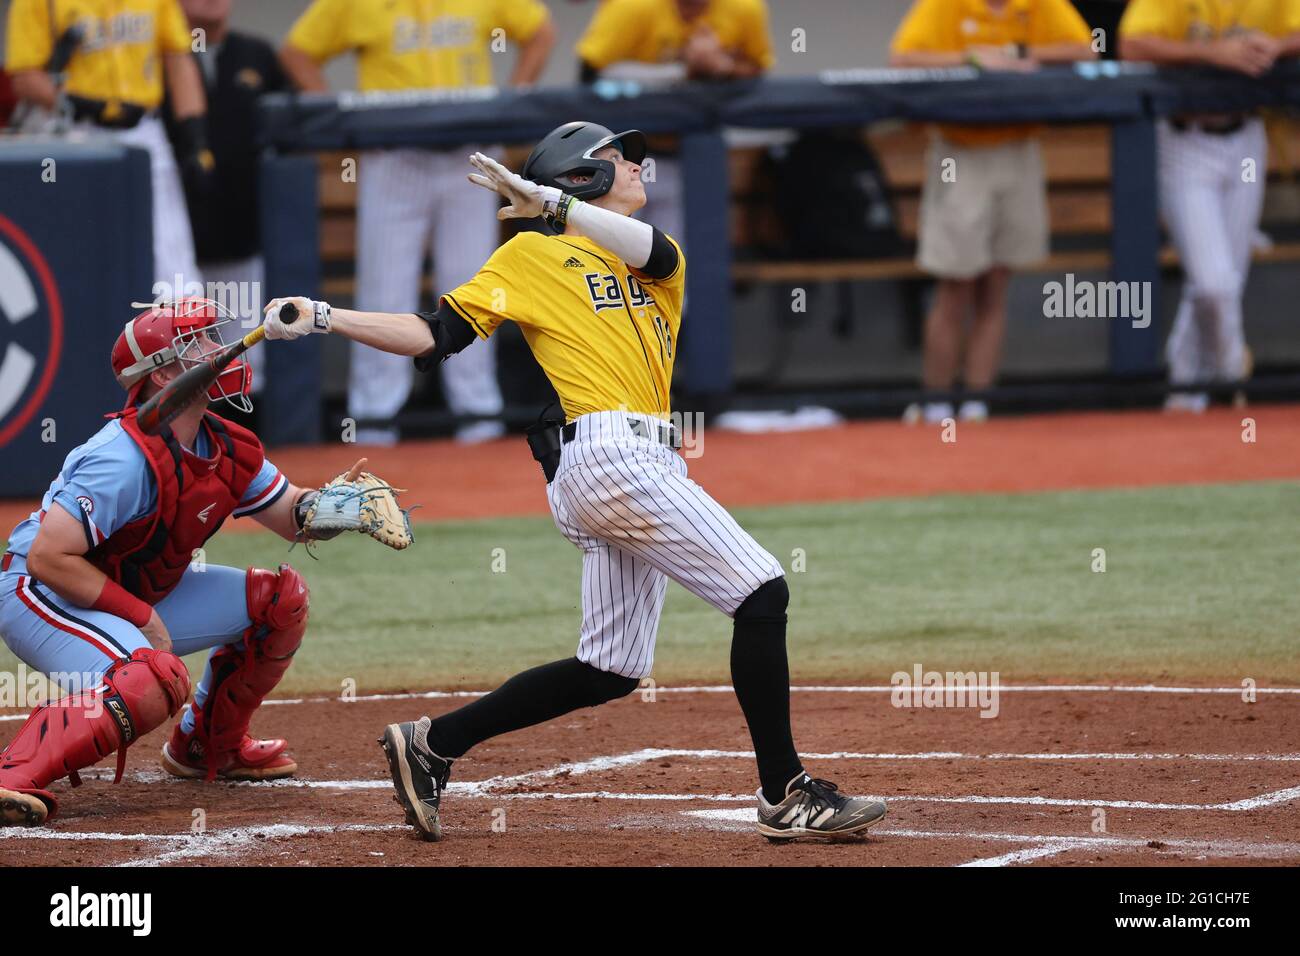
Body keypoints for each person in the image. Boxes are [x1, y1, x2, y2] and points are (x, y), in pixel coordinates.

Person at [262, 122, 888, 843]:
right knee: (763, 591)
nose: (638, 166)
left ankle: (431, 744)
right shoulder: (529, 255)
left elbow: (647, 249)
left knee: (609, 669)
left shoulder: (658, 256)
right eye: (620, 160)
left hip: (637, 462)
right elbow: (436, 333)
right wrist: (322, 316)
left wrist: (556, 207)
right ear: (581, 175)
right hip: (610, 458)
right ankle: (785, 792)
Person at [0, 299, 372, 829]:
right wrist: (142, 618)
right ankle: (12, 774)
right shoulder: (122, 457)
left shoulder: (225, 444)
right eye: (200, 342)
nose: (220, 351)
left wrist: (338, 508)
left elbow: (293, 517)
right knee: (152, 679)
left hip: (124, 587)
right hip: (40, 594)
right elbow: (48, 557)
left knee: (278, 601)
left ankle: (204, 745)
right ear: (163, 374)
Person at [278, 0, 557, 445]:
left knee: (475, 285)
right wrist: (344, 120)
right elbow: (297, 51)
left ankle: (478, 415)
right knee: (385, 289)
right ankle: (372, 421)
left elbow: (540, 30)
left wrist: (509, 103)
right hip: (394, 152)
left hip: (469, 150)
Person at [890, 0, 1095, 424]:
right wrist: (970, 58)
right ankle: (936, 401)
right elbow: (903, 58)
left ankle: (978, 403)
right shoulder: (945, 6)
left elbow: (1086, 49)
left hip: (1018, 147)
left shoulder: (1039, 5)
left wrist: (1018, 55)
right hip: (961, 152)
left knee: (996, 283)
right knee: (956, 284)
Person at [1119, 0, 1300, 412]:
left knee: (1222, 282)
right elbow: (1130, 44)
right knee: (1214, 283)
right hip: (1187, 138)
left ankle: (1184, 391)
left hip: (1247, 139)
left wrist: (1276, 45)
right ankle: (1231, 372)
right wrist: (1211, 53)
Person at [5, 0, 211, 294]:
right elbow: (25, 78)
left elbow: (179, 60)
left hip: (144, 128)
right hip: (73, 130)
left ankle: (183, 333)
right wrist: (80, 104)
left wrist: (196, 140)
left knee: (172, 257)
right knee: (81, 246)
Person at [166, 0, 290, 411]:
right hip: (175, 232)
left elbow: (289, 132)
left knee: (244, 350)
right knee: (176, 349)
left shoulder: (257, 53)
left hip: (240, 231)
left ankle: (241, 453)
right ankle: (181, 450)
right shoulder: (161, 55)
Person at [576, 0, 775, 244]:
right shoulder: (631, 6)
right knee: (607, 255)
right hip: (616, 160)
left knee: (670, 262)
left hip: (684, 158)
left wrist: (724, 65)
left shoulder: (744, 8)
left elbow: (757, 68)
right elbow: (592, 72)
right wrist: (681, 72)